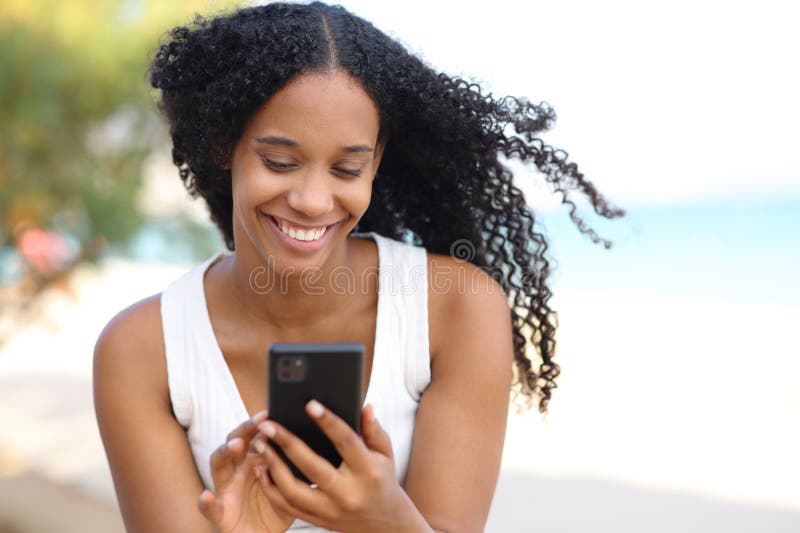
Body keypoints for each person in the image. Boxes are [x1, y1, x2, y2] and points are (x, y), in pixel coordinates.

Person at [93, 2, 624, 532]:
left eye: (347, 168)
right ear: (223, 145)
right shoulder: (141, 352)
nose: (312, 199)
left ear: (375, 160)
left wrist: (388, 522)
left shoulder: (459, 310)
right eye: (279, 161)